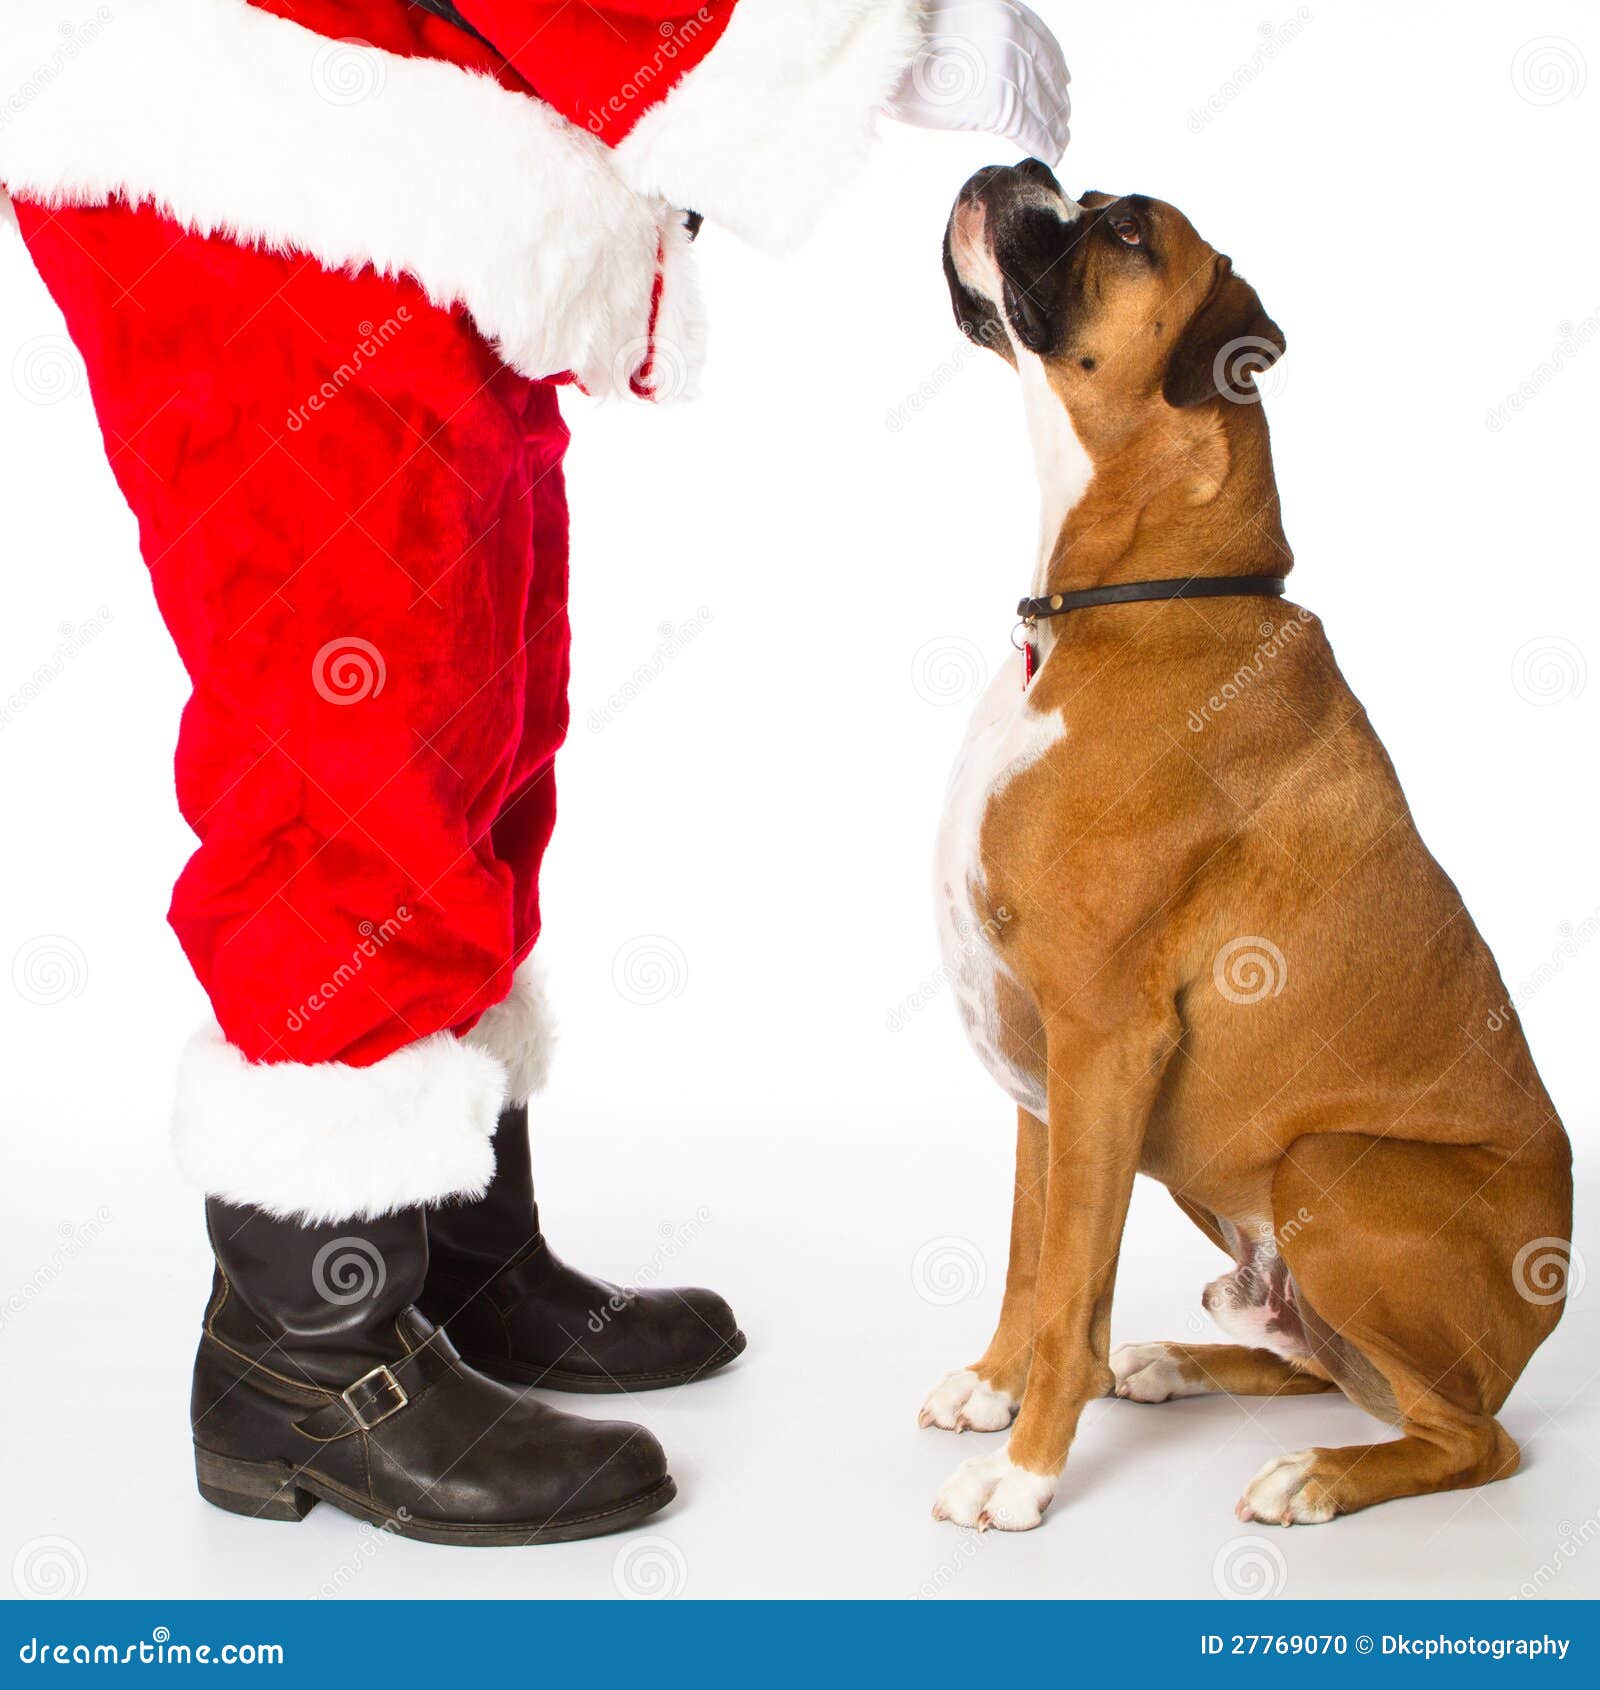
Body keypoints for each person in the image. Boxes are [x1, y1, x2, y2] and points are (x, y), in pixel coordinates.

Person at [0, 0, 1070, 1544]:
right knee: (351, 728)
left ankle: (448, 1251)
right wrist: (846, 34)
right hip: (285, 135)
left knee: (475, 693)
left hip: (402, 133)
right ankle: (307, 1351)